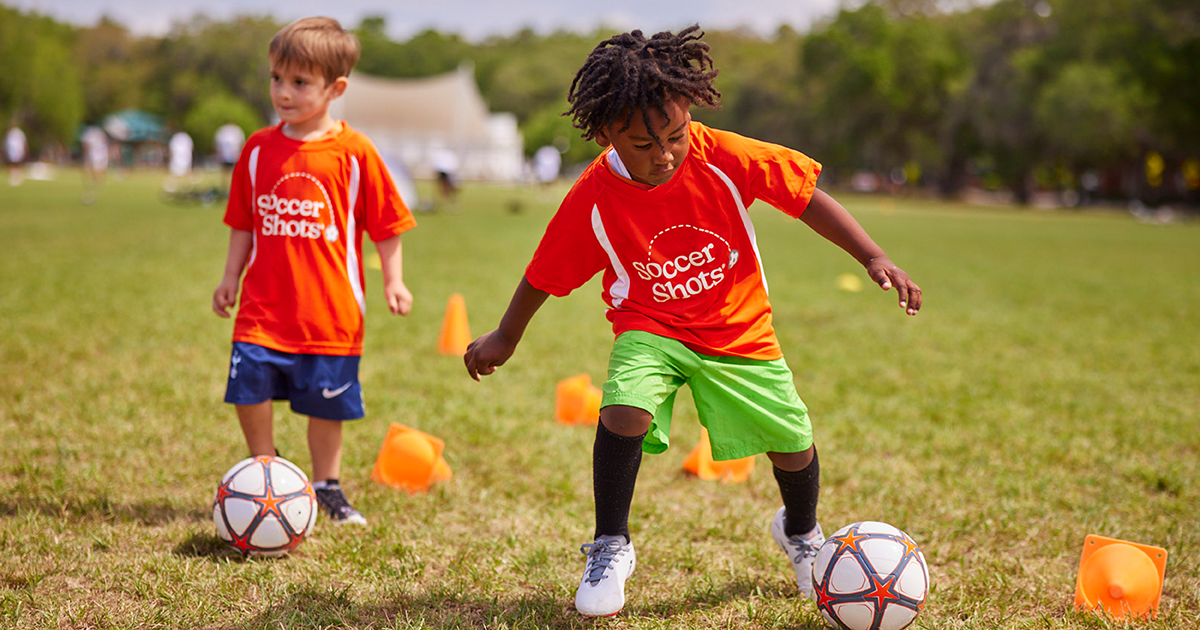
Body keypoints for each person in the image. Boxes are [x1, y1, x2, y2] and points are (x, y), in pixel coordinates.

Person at [463, 26, 922, 617]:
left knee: (792, 444)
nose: (664, 155)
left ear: (689, 115)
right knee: (624, 404)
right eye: (642, 145)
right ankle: (610, 545)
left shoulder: (725, 156)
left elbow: (806, 196)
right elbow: (544, 273)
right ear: (606, 136)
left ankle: (802, 533)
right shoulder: (595, 194)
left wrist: (873, 256)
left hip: (738, 328)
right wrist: (505, 336)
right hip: (649, 326)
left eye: (675, 137)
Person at [212, 16, 416, 526]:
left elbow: (386, 224)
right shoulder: (257, 148)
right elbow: (243, 222)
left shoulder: (354, 152)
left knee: (327, 409)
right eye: (277, 79)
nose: (284, 92)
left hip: (330, 314)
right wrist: (229, 277)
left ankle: (326, 485)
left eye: (300, 82)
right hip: (262, 309)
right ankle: (264, 468)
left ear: (335, 88)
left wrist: (394, 279)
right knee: (248, 388)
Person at [80, 126, 109, 204]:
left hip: (98, 153)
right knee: (95, 169)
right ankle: (95, 182)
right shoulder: (96, 133)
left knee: (97, 170)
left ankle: (96, 182)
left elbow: (86, 145)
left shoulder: (90, 133)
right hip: (98, 153)